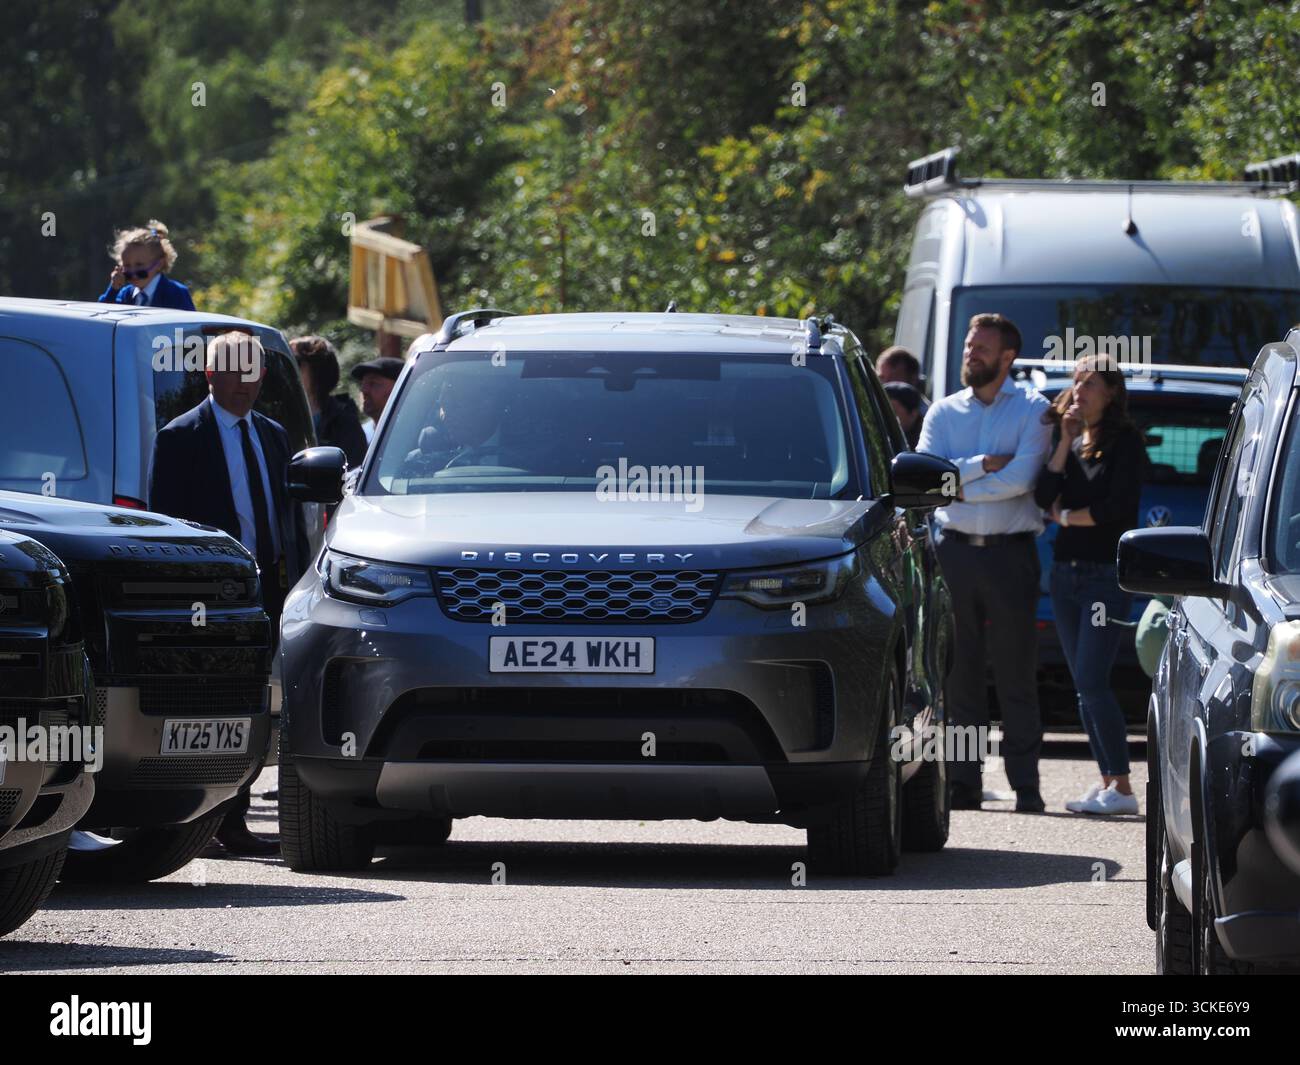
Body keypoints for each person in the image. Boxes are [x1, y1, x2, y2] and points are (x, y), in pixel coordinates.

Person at [149, 332, 309, 856]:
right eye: (233, 373)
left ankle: (236, 815)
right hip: (211, 596)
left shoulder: (273, 435)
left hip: (268, 590)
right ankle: (205, 819)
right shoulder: (180, 437)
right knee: (213, 702)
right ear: (211, 375)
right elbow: (168, 528)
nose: (244, 384)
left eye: (252, 373)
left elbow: (287, 519)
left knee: (257, 703)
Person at [916, 313, 1052, 813]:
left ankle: (1026, 786)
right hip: (953, 553)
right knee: (959, 676)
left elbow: (1021, 480)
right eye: (969, 346)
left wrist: (959, 483)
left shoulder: (1035, 410)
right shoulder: (943, 412)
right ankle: (963, 784)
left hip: (1010, 556)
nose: (970, 354)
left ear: (1007, 357)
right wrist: (982, 464)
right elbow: (926, 479)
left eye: (981, 348)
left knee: (1016, 674)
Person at [1034, 355, 1145, 816]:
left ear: (1111, 393)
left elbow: (1113, 509)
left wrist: (1064, 517)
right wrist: (1064, 439)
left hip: (1103, 577)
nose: (1079, 390)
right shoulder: (1071, 439)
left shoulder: (1126, 443)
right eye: (1077, 382)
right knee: (1083, 683)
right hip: (1065, 574)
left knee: (1093, 680)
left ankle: (1123, 786)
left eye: (1091, 383)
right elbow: (1042, 496)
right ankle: (1108, 783)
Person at [291, 336, 368, 467]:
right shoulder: (275, 416)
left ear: (317, 370)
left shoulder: (345, 423)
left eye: (296, 362)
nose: (288, 368)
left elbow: (353, 471)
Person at [97, 220, 196, 310]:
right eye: (127, 265)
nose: (133, 272)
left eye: (139, 265)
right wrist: (113, 289)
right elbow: (102, 315)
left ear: (159, 264)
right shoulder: (125, 294)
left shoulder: (176, 293)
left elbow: (186, 323)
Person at [350, 356, 405, 441]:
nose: (364, 390)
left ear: (399, 388)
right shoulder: (357, 437)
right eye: (362, 384)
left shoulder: (414, 435)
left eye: (373, 383)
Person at [884, 381, 924, 448]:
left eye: (893, 412)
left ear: (913, 414)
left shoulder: (924, 443)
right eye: (883, 411)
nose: (885, 417)